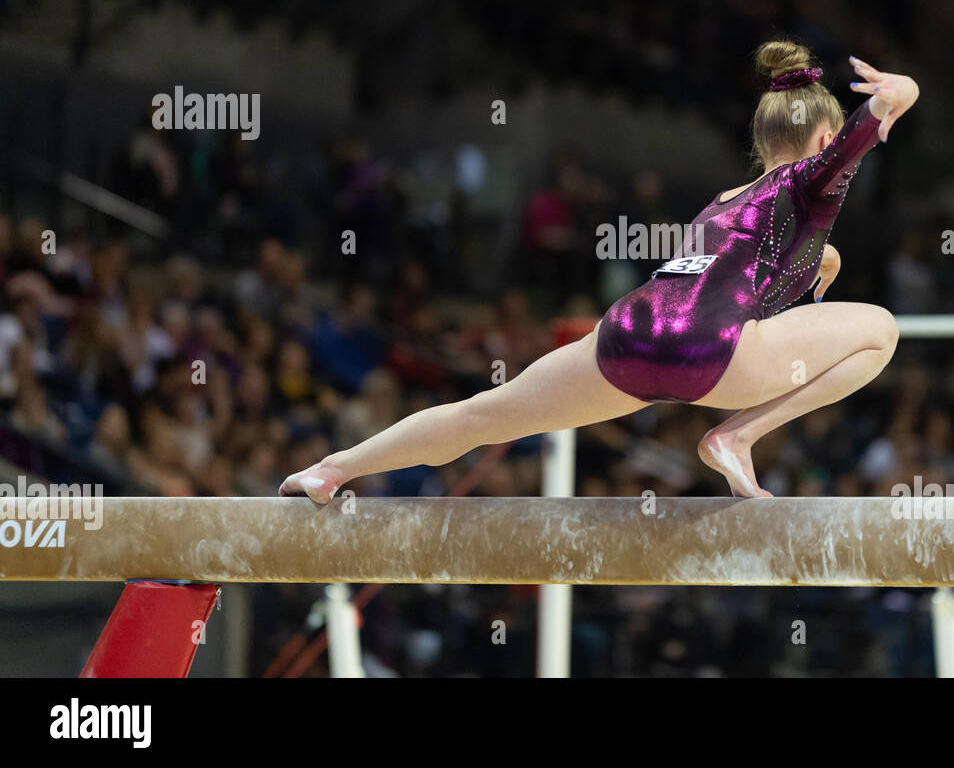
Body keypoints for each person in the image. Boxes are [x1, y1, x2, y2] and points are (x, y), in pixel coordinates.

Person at [281, 40, 917, 500]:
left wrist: (816, 260)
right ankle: (738, 437)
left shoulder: (722, 203)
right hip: (710, 353)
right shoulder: (813, 182)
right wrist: (899, 95)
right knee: (882, 330)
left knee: (483, 415)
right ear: (821, 140)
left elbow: (734, 271)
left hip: (623, 340)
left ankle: (332, 470)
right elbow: (864, 132)